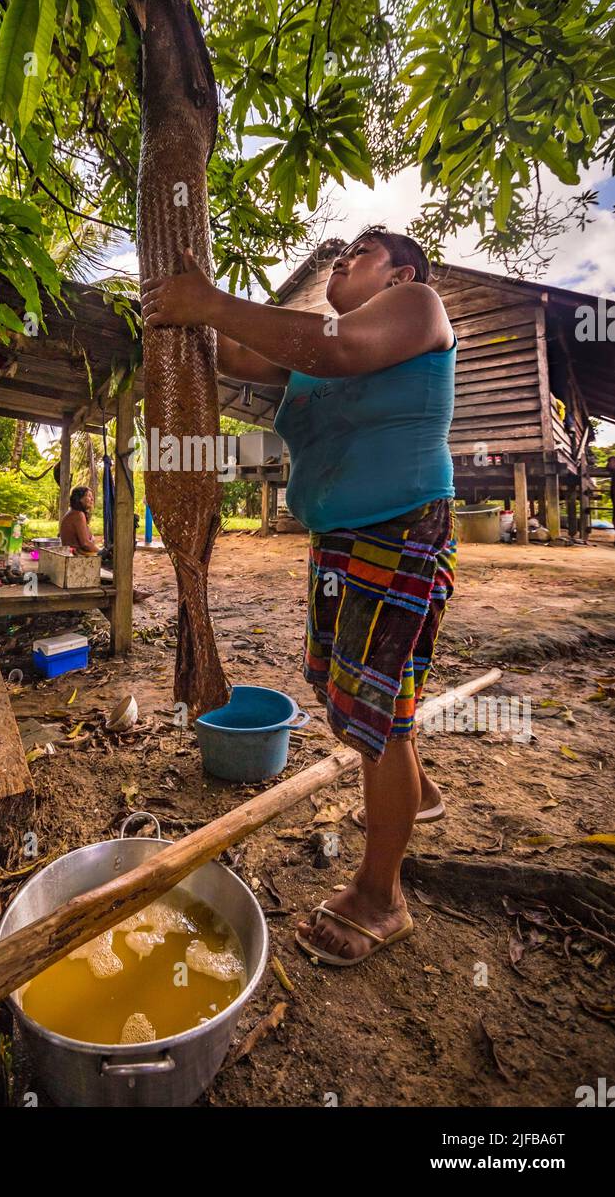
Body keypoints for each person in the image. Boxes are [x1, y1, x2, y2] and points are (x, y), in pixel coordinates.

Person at [142, 226, 457, 967]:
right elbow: (239, 349)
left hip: (399, 532)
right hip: (339, 542)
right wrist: (177, 308)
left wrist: (210, 300)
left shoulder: (418, 306)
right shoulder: (307, 355)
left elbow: (336, 348)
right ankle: (418, 793)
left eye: (361, 253)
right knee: (348, 693)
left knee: (377, 716)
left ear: (399, 272)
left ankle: (382, 899)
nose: (342, 261)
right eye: (339, 254)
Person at [59, 486, 100, 555]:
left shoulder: (74, 512)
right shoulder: (78, 514)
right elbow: (85, 544)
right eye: (89, 496)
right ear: (80, 499)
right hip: (76, 557)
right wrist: (101, 552)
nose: (92, 499)